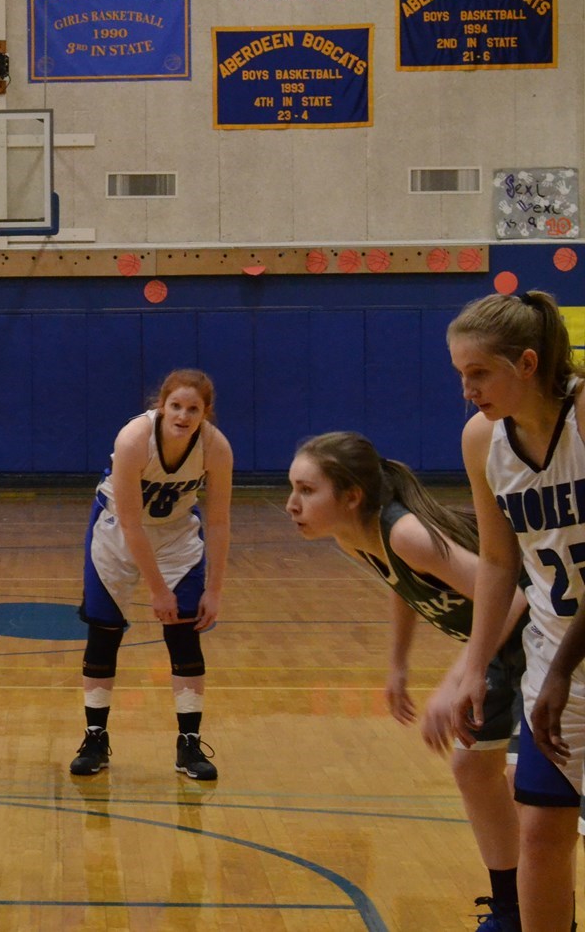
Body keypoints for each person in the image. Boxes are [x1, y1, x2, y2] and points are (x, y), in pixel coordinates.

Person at [288, 431, 524, 931]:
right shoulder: (359, 538)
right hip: (501, 643)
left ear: (351, 496)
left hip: (529, 633)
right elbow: (402, 584)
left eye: (307, 491)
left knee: (486, 772)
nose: (292, 504)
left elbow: (514, 598)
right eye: (294, 489)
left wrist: (460, 676)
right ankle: (516, 905)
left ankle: (520, 907)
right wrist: (398, 663)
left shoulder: (405, 533)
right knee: (478, 771)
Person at [423, 290, 585, 932]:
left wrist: (561, 673)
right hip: (554, 660)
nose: (467, 389)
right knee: (543, 833)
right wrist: (473, 666)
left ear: (525, 362)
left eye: (478, 372)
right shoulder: (481, 441)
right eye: (460, 374)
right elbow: (496, 563)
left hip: (565, 668)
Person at [69, 369, 233, 781]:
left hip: (177, 534)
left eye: (193, 408)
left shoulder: (215, 448)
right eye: (175, 406)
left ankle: (189, 745)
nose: (183, 415)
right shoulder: (133, 440)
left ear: (205, 413)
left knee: (184, 632)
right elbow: (130, 522)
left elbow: (219, 522)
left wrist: (214, 590)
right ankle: (94, 737)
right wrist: (158, 590)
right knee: (104, 631)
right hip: (119, 532)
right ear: (161, 406)